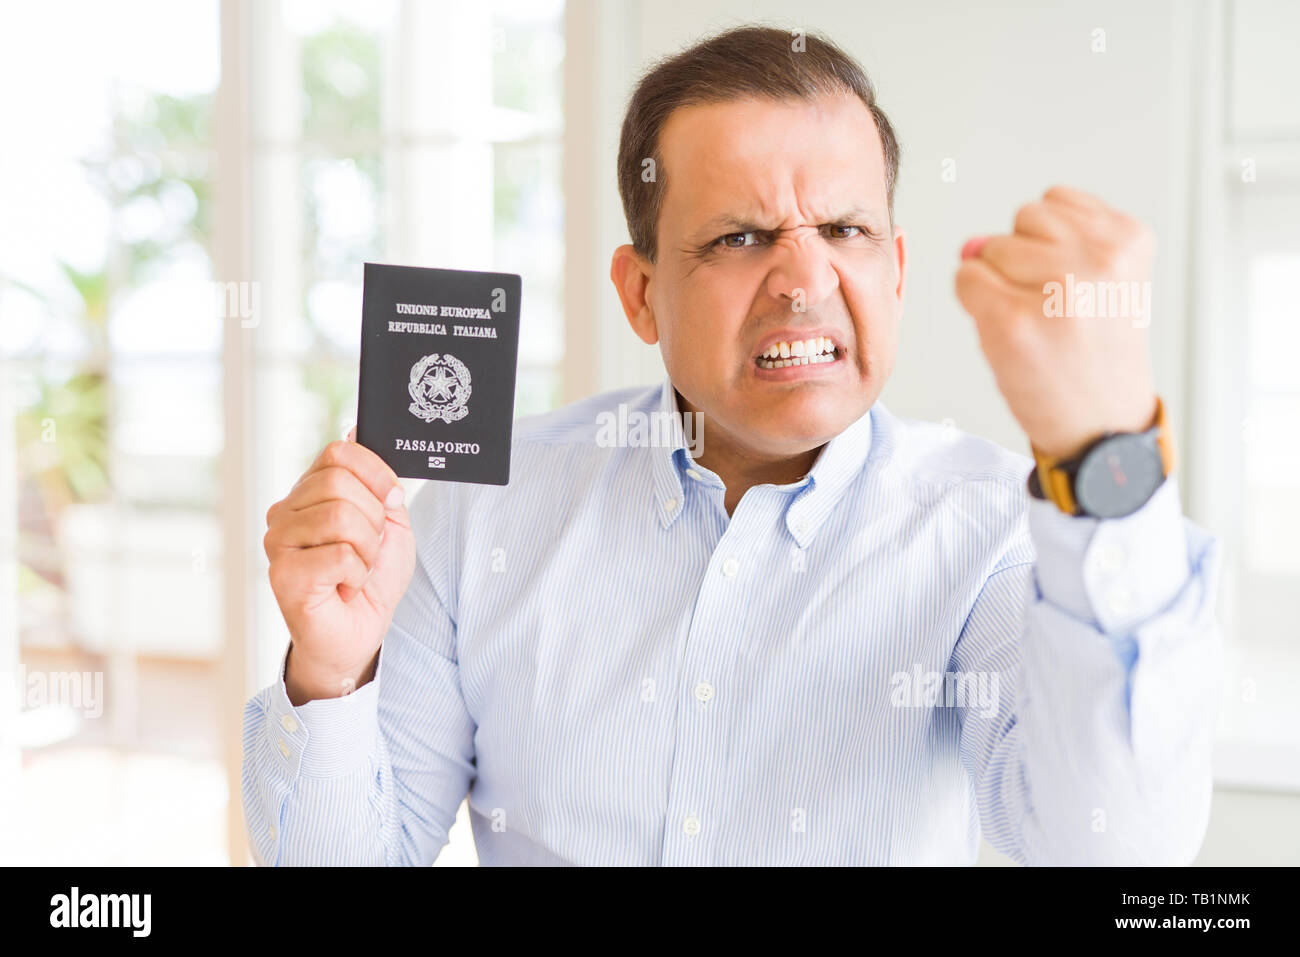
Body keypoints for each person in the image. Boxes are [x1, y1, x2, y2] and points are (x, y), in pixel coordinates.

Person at [244, 25, 1221, 865]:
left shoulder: (994, 528)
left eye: (844, 228)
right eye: (740, 238)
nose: (806, 278)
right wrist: (331, 674)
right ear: (639, 293)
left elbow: (1108, 848)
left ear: (895, 270)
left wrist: (1106, 467)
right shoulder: (479, 513)